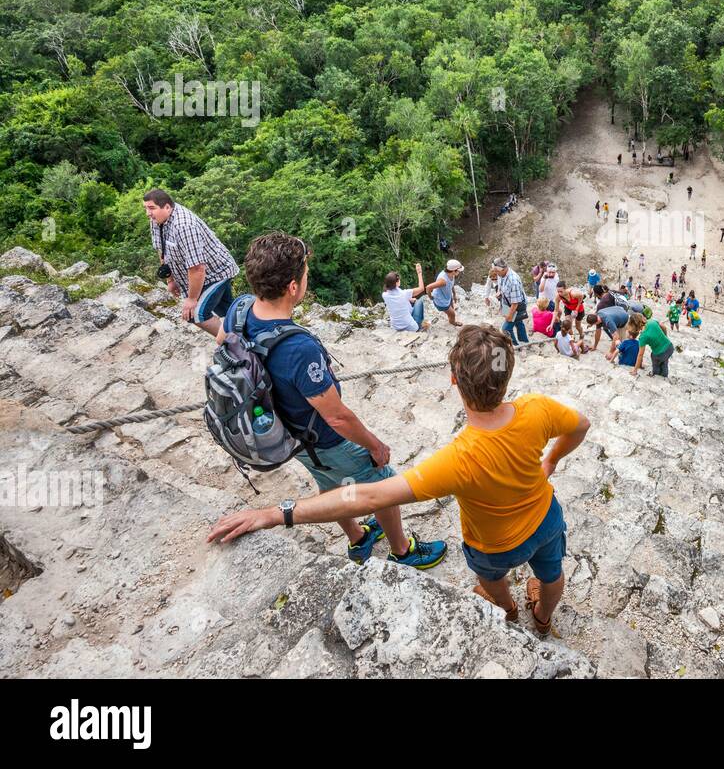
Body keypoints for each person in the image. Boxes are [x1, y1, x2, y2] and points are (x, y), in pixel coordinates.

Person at [208, 325, 592, 637]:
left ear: (454, 380)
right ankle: (543, 616)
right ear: (508, 374)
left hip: (493, 547)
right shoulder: (538, 409)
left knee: (491, 580)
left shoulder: (457, 459)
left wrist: (278, 513)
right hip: (546, 520)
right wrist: (551, 460)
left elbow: (365, 497)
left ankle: (505, 608)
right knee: (552, 573)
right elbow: (581, 426)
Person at [211, 231, 445, 568]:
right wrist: (375, 445)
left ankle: (358, 538)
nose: (307, 276)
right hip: (326, 436)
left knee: (327, 480)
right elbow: (337, 417)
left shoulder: (239, 308)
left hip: (285, 433)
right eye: (305, 272)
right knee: (383, 483)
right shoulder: (299, 349)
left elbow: (224, 348)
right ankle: (403, 551)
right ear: (293, 287)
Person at [143, 188, 239, 337]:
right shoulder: (157, 220)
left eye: (151, 208)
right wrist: (171, 279)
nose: (148, 213)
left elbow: (198, 268)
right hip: (202, 275)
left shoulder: (184, 226)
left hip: (216, 272)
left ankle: (237, 345)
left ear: (167, 207)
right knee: (229, 312)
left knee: (196, 314)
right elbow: (162, 250)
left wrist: (191, 299)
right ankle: (253, 335)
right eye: (146, 208)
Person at [489, 257, 529, 346]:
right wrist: (499, 292)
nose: (495, 273)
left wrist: (509, 316)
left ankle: (515, 345)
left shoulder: (513, 281)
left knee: (506, 328)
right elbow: (501, 285)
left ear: (503, 269)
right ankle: (525, 343)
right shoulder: (500, 274)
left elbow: (515, 303)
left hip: (517, 306)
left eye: (497, 271)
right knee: (519, 322)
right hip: (507, 303)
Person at [382, 264, 432, 332]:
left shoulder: (385, 295)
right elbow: (421, 288)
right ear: (396, 283)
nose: (400, 280)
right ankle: (420, 326)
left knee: (412, 301)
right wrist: (419, 273)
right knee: (419, 301)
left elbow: (397, 298)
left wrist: (409, 299)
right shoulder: (404, 293)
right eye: (398, 280)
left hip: (396, 327)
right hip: (411, 327)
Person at [627, 311, 674, 378]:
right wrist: (665, 337)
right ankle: (664, 375)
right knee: (664, 361)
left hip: (659, 354)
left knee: (654, 358)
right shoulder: (652, 321)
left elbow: (640, 355)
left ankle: (656, 374)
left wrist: (635, 370)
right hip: (670, 347)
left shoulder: (642, 337)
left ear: (634, 325)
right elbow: (664, 327)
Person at [426, 259, 464, 326]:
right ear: (453, 271)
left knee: (452, 308)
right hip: (441, 300)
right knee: (453, 314)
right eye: (458, 271)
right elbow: (428, 287)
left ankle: (450, 315)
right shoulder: (443, 281)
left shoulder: (452, 274)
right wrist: (430, 297)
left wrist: (454, 294)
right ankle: (452, 322)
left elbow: (451, 285)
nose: (459, 272)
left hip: (447, 295)